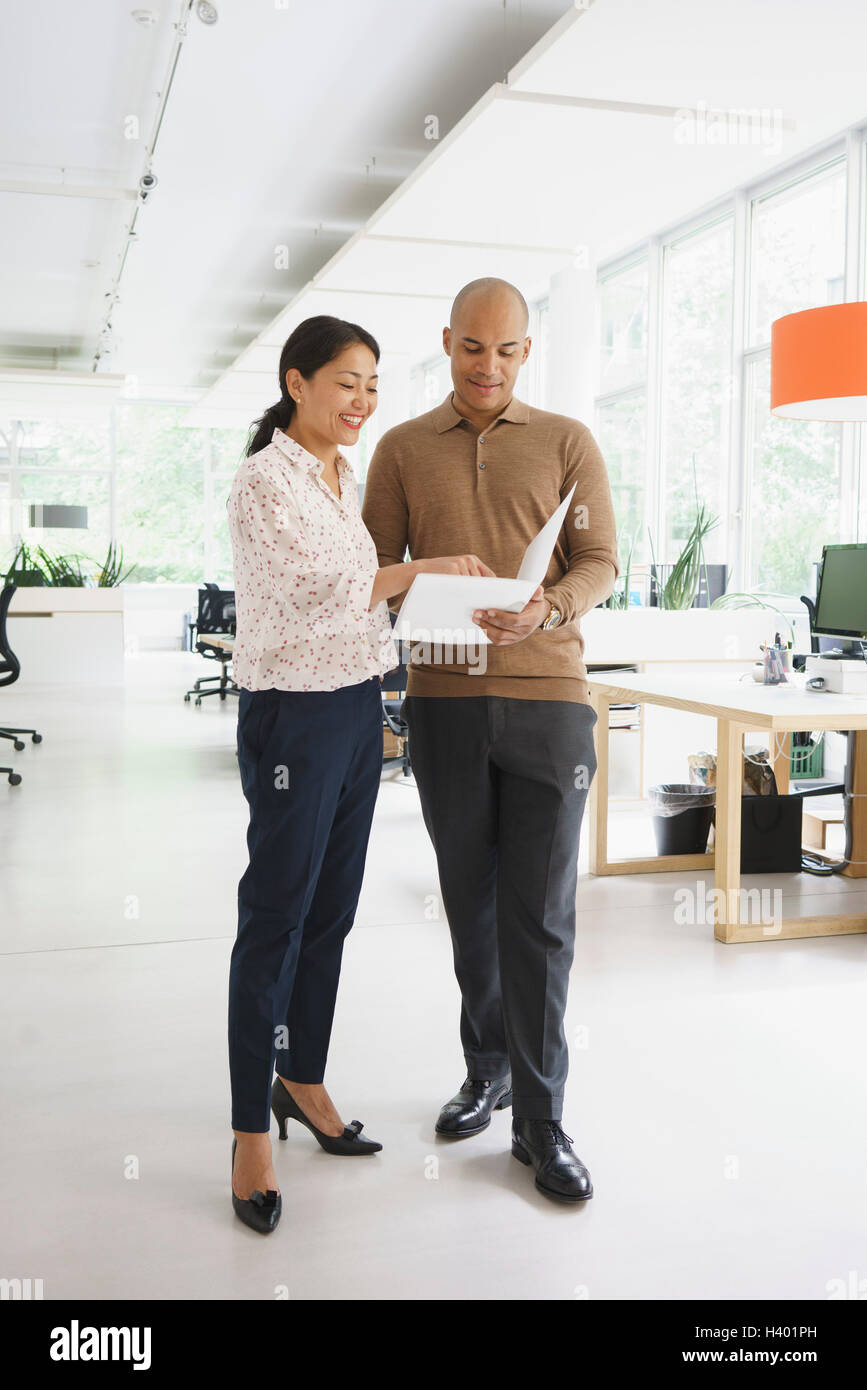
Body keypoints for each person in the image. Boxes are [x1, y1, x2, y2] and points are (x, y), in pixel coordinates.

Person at [226, 314, 494, 1233]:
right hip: (292, 713)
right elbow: (311, 592)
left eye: (372, 384)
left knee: (331, 914)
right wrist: (414, 569)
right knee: (275, 918)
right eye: (345, 381)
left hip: (352, 705)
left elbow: (359, 598)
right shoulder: (267, 479)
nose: (362, 401)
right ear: (296, 383)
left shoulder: (340, 479)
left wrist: (434, 589)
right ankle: (246, 1134)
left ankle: (301, 1079)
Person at [362, 279, 618, 1203]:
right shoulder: (397, 449)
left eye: (506, 350)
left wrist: (546, 604)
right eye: (472, 348)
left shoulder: (566, 442)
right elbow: (373, 576)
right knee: (470, 905)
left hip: (549, 700)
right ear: (446, 345)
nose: (488, 366)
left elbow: (599, 562)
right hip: (443, 702)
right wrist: (418, 580)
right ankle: (489, 1070)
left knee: (540, 918)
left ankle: (542, 1123)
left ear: (524, 352)